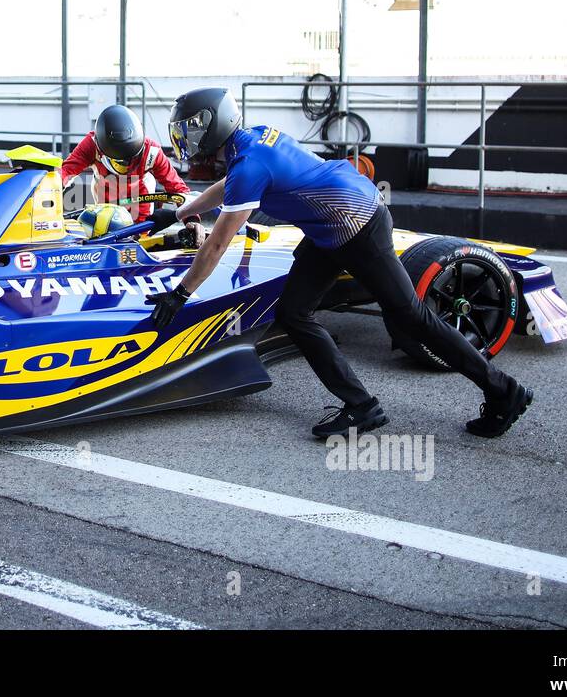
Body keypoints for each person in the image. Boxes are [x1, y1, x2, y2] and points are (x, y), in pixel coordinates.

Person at [147, 87, 534, 440]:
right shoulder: (252, 141)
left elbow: (216, 245)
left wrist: (180, 294)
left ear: (216, 123)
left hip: (359, 224)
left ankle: (504, 391)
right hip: (329, 230)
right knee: (295, 313)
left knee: (412, 318)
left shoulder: (249, 165)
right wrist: (183, 212)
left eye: (193, 127)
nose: (187, 136)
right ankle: (361, 406)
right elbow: (230, 186)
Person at [61, 104, 204, 243]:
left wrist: (192, 220)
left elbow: (176, 187)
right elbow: (65, 171)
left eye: (132, 159)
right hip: (106, 196)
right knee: (104, 237)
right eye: (121, 162)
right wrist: (46, 191)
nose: (127, 165)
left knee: (138, 241)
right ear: (101, 148)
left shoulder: (152, 151)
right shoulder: (91, 145)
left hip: (140, 198)